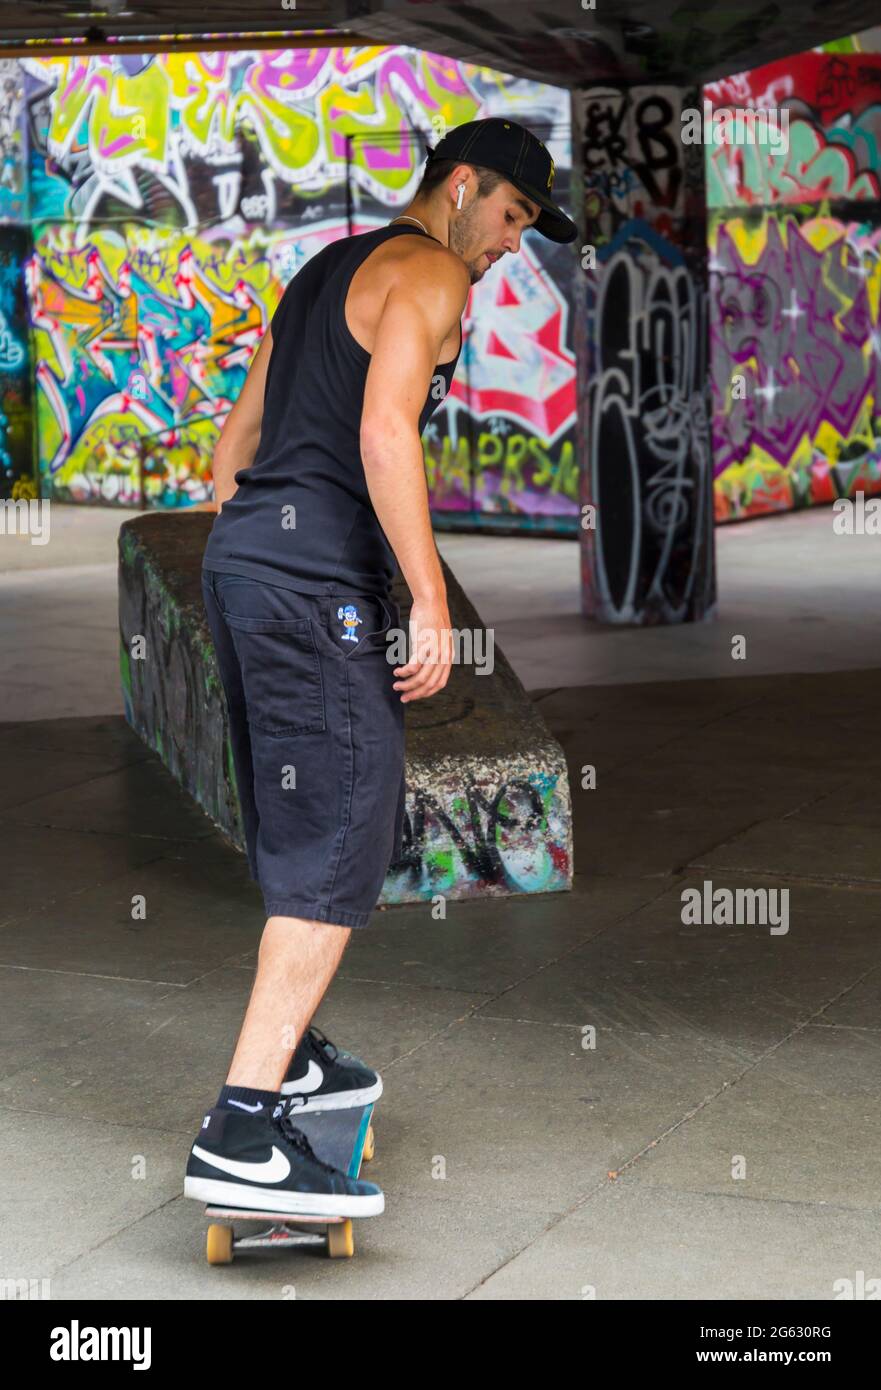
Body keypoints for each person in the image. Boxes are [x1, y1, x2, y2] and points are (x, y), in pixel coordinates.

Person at [185, 117, 578, 1216]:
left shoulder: (325, 270)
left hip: (245, 566)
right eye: (508, 217)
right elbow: (384, 434)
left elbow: (234, 448)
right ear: (460, 187)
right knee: (342, 836)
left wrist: (261, 533)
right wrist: (427, 598)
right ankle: (242, 1129)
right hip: (313, 593)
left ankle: (293, 1051)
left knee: (298, 820)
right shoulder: (429, 271)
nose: (507, 245)